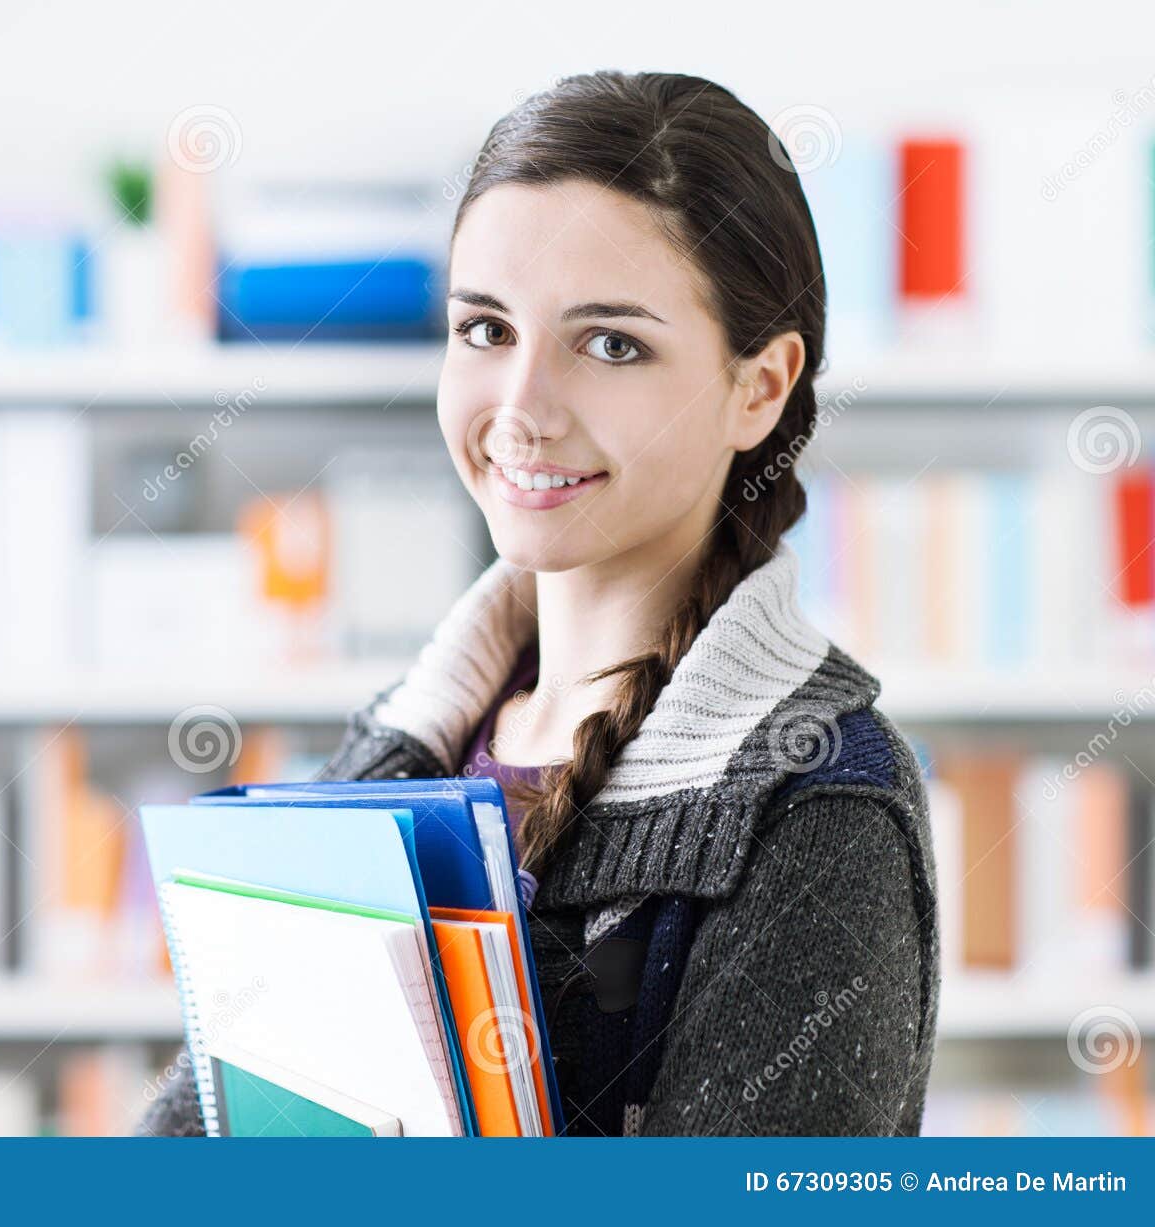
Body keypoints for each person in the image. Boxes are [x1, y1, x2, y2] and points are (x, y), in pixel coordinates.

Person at [138, 69, 939, 1137]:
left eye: (610, 344)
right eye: (485, 331)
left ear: (759, 386)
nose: (520, 410)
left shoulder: (820, 805)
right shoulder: (404, 738)